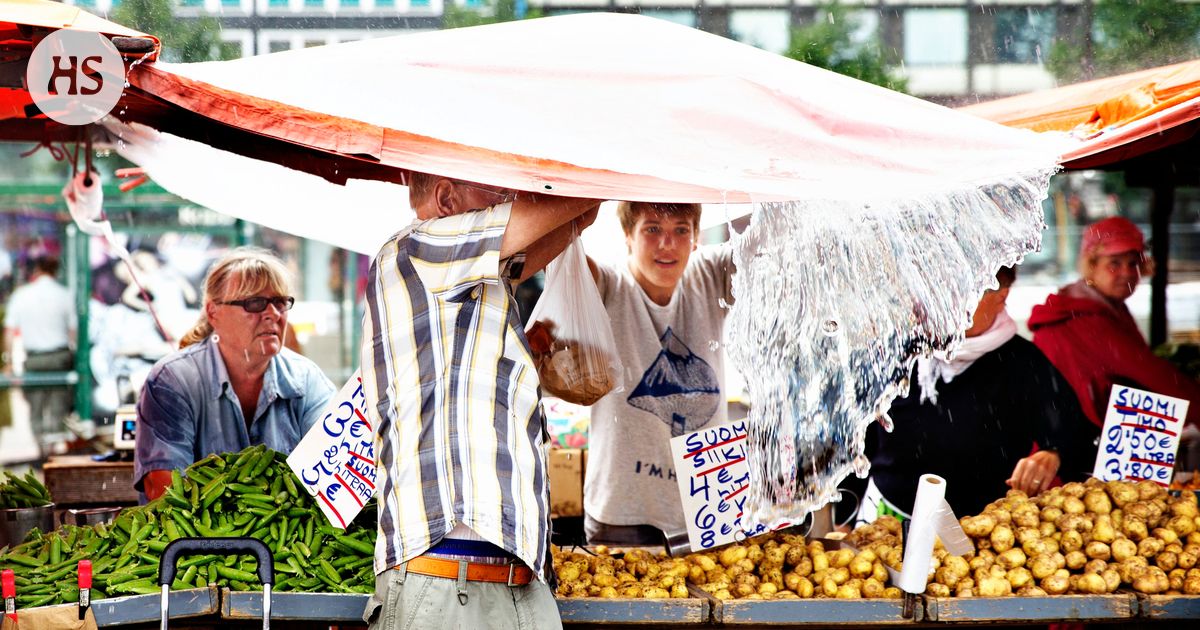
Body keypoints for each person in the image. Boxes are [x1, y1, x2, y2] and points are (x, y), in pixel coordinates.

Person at [360, 172, 601, 630]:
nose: (511, 196)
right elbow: (577, 197)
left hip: (515, 579)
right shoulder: (417, 249)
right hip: (445, 578)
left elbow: (579, 214)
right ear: (446, 198)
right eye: (496, 188)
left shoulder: (480, 274)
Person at [860, 266, 1095, 521]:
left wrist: (1053, 455)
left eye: (967, 294)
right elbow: (855, 441)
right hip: (886, 519)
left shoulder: (1024, 363)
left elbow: (1078, 439)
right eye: (943, 291)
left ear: (1001, 297)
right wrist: (843, 518)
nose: (949, 304)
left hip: (984, 529)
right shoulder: (897, 352)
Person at [581, 201, 735, 546]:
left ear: (696, 237)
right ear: (628, 235)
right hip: (622, 513)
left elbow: (768, 246)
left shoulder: (712, 274)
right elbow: (569, 263)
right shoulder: (608, 285)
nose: (667, 244)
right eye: (652, 229)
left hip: (710, 510)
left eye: (681, 230)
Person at [134, 247, 335, 501]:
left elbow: (337, 472)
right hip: (195, 531)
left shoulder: (307, 380)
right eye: (255, 303)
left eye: (280, 303)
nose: (273, 314)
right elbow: (164, 493)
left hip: (290, 529)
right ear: (213, 312)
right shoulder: (173, 381)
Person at [1029, 216, 1200, 428]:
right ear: (1091, 266)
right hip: (1077, 440)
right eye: (1114, 264)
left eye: (1133, 263)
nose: (1127, 273)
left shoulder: (1101, 306)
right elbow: (1155, 376)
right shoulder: (1087, 318)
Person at [2, 254, 76, 456]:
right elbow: (73, 331)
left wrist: (8, 361)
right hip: (60, 357)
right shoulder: (64, 295)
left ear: (36, 270)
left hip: (34, 359)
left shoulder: (22, 295)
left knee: (35, 407)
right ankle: (53, 450)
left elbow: (9, 331)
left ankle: (42, 451)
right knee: (58, 406)